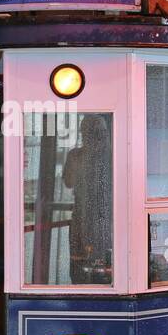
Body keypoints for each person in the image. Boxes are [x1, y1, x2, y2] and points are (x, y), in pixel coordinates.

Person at [61, 115, 112, 284]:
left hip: (98, 220)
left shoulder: (76, 155)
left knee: (95, 267)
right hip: (91, 220)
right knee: (83, 267)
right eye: (98, 133)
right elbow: (68, 182)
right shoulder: (113, 156)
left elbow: (68, 182)